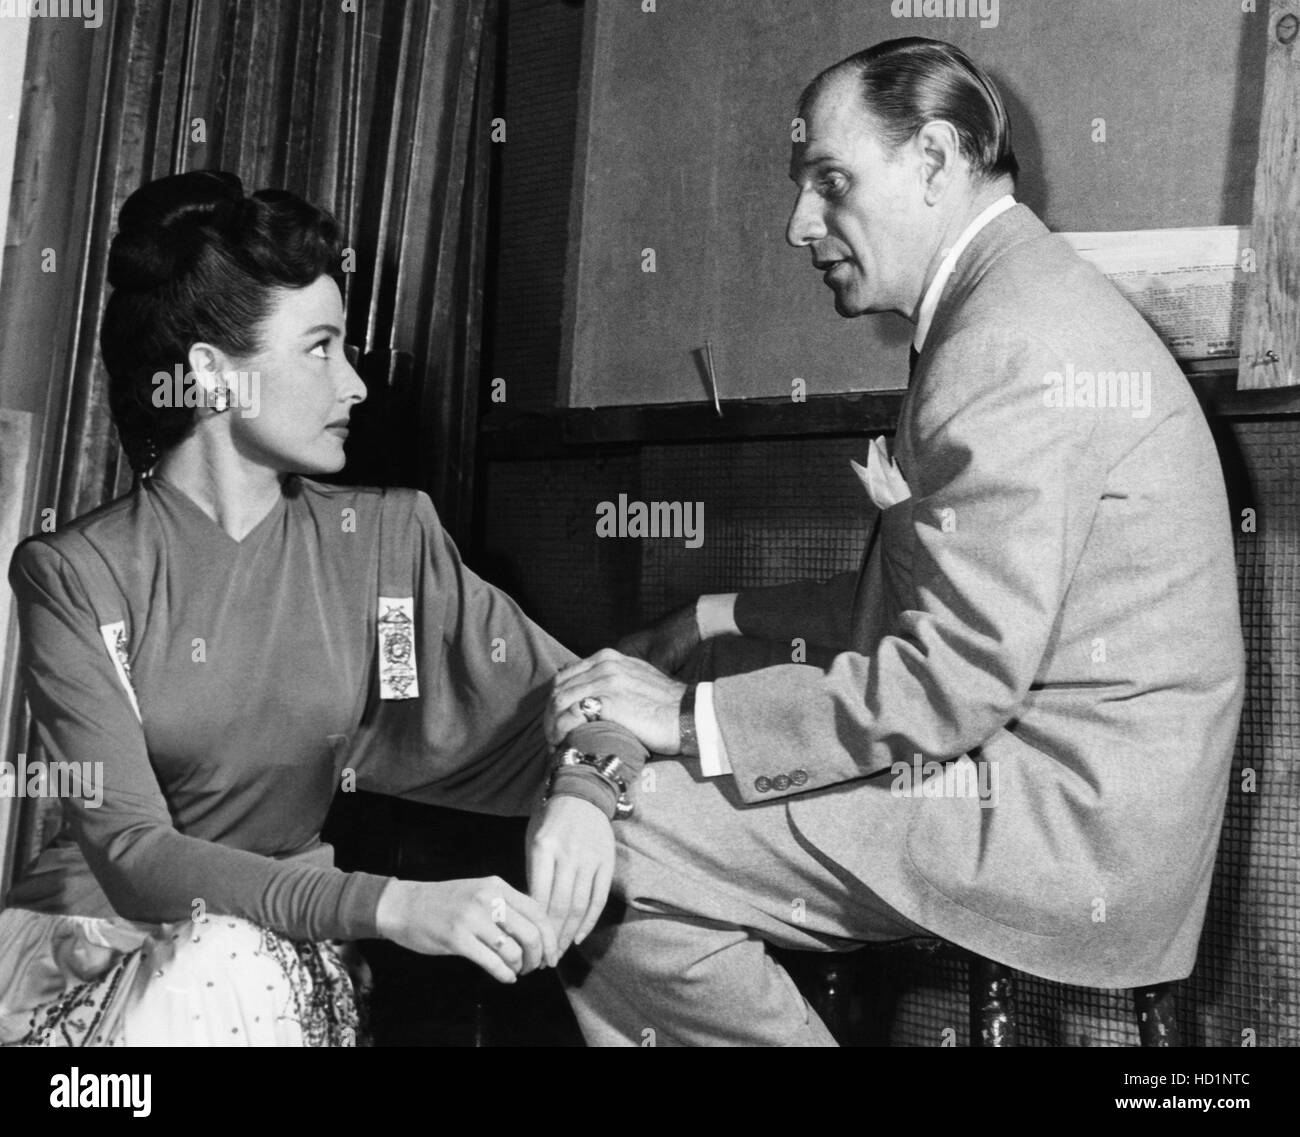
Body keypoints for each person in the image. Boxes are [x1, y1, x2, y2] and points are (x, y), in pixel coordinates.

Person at [550, 38, 1246, 1046]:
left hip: (1063, 822)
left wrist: (688, 715)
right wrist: (708, 622)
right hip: (1035, 769)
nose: (798, 227)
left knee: (620, 842)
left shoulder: (1008, 342)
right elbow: (929, 606)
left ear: (932, 159)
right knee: (672, 763)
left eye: (830, 183)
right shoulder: (1004, 304)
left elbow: (946, 683)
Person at [0, 170, 627, 1046]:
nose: (357, 384)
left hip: (264, 959)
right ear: (215, 377)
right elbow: (137, 857)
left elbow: (596, 699)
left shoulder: (382, 541)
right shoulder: (73, 574)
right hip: (81, 955)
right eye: (320, 347)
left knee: (229, 967)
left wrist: (588, 792)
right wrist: (392, 904)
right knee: (206, 978)